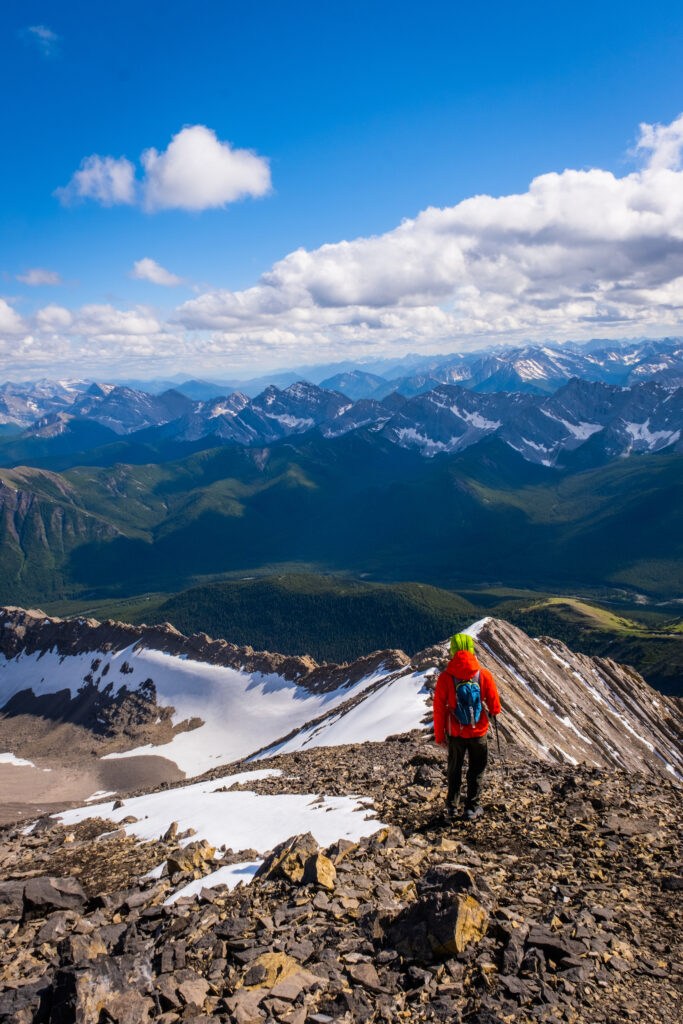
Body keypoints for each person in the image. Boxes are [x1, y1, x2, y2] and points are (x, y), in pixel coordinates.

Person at [433, 632, 501, 821]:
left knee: (454, 769)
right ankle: (472, 807)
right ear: (471, 650)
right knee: (477, 769)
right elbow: (496, 706)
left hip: (456, 733)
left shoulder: (446, 678)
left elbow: (438, 710)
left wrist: (440, 736)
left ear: (452, 651)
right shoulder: (483, 675)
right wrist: (490, 710)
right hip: (478, 732)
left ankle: (452, 807)